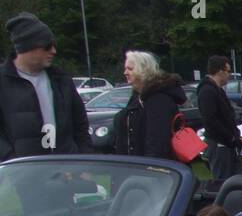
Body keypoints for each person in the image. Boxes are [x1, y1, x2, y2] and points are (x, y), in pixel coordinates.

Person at [0, 11, 91, 160]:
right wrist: (12, 161)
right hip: (22, 175)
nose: (54, 51)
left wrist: (85, 161)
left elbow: (81, 126)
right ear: (28, 46)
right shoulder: (2, 82)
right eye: (47, 46)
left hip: (70, 170)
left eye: (54, 45)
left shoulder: (61, 80)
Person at [113, 50, 185, 159]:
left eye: (130, 69)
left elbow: (158, 140)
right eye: (125, 68)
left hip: (152, 168)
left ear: (143, 71)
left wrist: (149, 169)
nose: (125, 73)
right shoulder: (138, 96)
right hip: (135, 164)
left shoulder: (159, 99)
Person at [197, 54, 242, 184]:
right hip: (219, 144)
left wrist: (236, 136)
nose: (229, 75)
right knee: (222, 182)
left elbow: (227, 117)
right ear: (219, 71)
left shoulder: (218, 90)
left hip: (227, 144)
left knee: (236, 180)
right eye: (228, 71)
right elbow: (210, 119)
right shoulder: (207, 91)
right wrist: (230, 137)